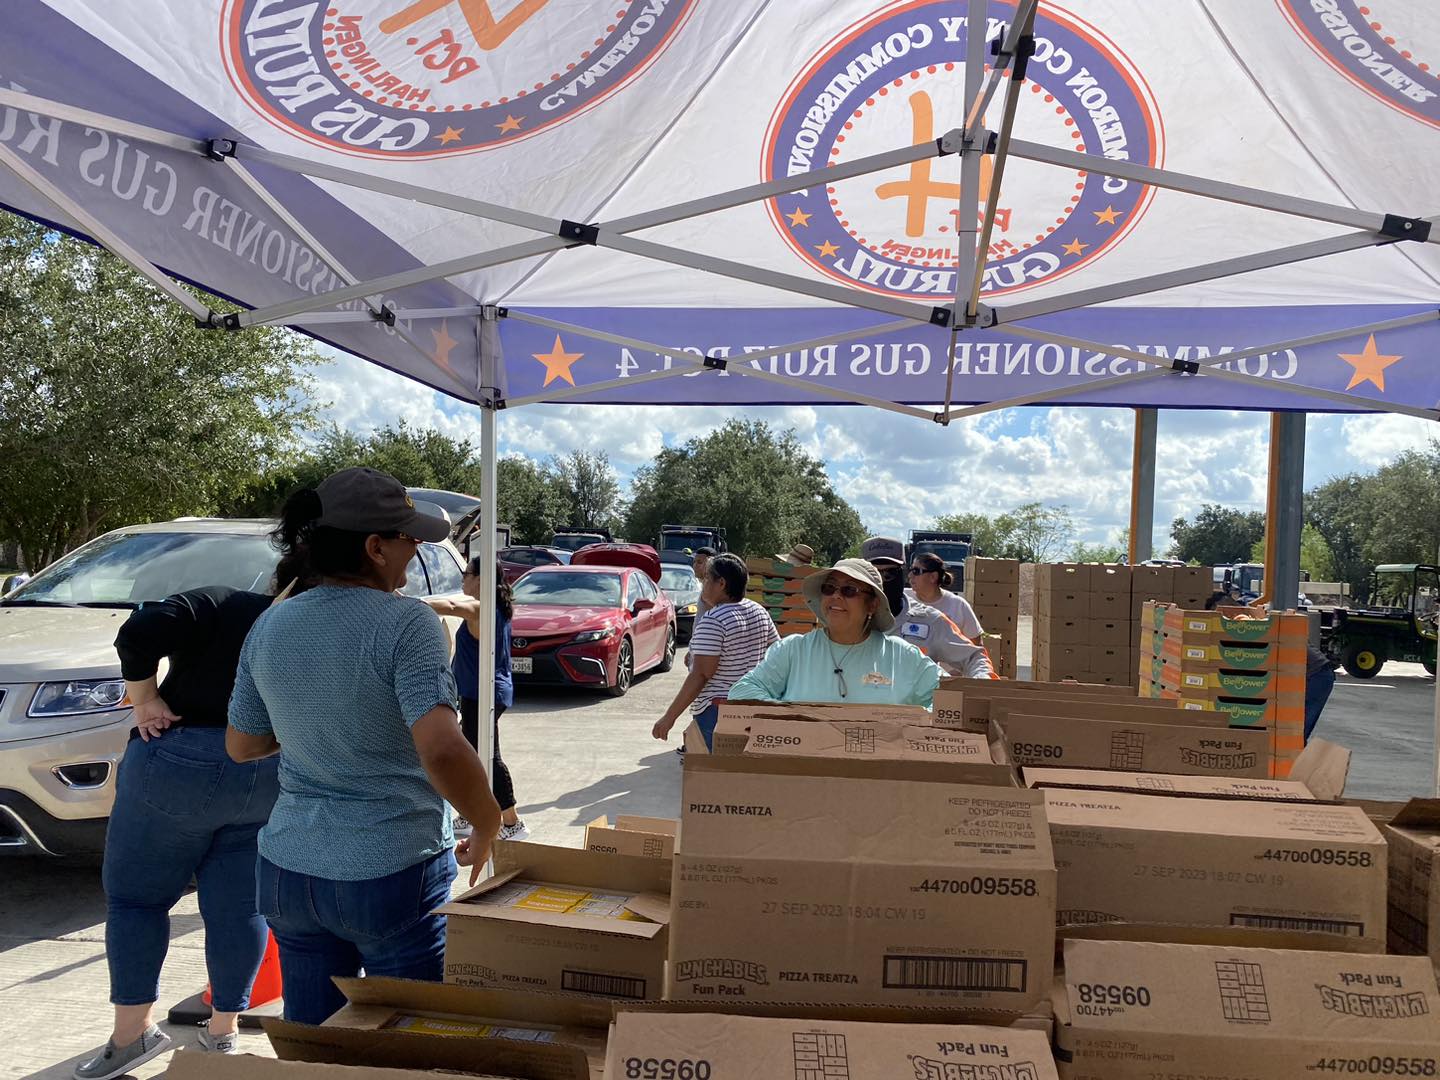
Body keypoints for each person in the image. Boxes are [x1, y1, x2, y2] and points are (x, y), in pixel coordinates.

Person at [226, 467, 502, 1026]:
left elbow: (243, 744)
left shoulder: (270, 625)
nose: (417, 549)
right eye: (409, 538)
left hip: (288, 872)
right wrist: (487, 821)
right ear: (375, 547)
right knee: (414, 1040)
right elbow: (443, 750)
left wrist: (317, 719)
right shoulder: (408, 624)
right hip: (389, 871)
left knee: (317, 1040)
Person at [75, 553, 314, 1079]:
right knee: (239, 908)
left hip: (182, 758)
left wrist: (144, 699)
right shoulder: (326, 630)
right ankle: (222, 1031)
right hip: (266, 767)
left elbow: (138, 632)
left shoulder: (222, 602)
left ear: (282, 578)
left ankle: (130, 1037)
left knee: (139, 899)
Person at [728, 559, 940, 706]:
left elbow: (950, 698)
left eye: (849, 590)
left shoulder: (902, 655)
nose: (836, 596)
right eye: (829, 588)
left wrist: (909, 725)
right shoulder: (794, 650)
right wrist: (794, 718)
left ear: (872, 605)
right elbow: (741, 692)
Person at [424, 558, 527, 841]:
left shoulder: (483, 608)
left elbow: (452, 607)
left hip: (483, 694)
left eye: (465, 574)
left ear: (481, 579)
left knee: (486, 757)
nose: (462, 579)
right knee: (475, 756)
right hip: (482, 692)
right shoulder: (495, 607)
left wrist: (411, 604)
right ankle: (470, 816)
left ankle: (511, 823)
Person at [653, 553, 779, 749]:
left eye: (707, 579)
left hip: (718, 711)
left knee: (715, 774)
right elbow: (776, 653)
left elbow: (701, 675)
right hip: (753, 705)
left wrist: (669, 717)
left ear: (721, 583)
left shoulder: (714, 620)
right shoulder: (759, 611)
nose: (703, 585)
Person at [861, 537, 994, 678]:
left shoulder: (931, 621)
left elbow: (974, 656)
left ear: (902, 573)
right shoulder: (845, 616)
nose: (881, 582)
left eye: (889, 573)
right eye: (874, 574)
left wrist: (980, 682)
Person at [906, 551, 984, 641]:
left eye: (916, 571)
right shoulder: (902, 599)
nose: (910, 575)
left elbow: (976, 645)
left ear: (933, 577)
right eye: (910, 570)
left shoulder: (958, 606)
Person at [691, 547, 716, 621]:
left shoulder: (711, 588)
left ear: (710, 564)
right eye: (694, 562)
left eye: (699, 562)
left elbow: (712, 617)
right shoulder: (704, 584)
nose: (695, 565)